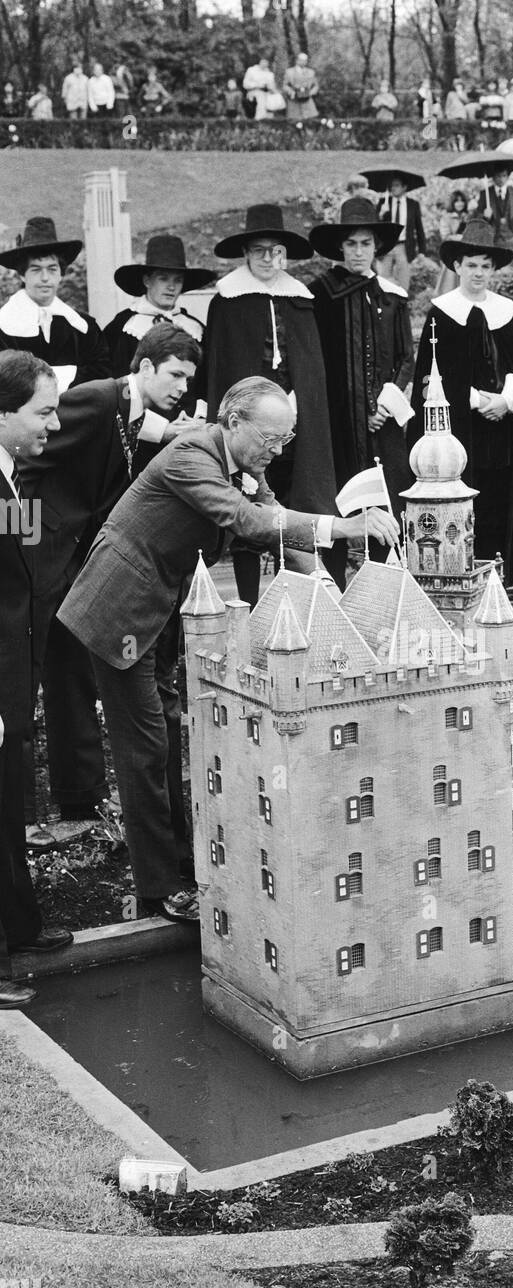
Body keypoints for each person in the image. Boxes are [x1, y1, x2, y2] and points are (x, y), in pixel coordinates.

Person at [56, 378, 399, 922]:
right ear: (233, 422)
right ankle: (159, 889)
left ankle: (176, 864)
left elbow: (280, 526)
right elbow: (247, 521)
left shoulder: (243, 463)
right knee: (145, 749)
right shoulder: (191, 455)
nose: (278, 451)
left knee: (166, 736)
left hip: (158, 613)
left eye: (287, 440)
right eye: (270, 438)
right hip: (119, 610)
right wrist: (344, 528)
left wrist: (333, 595)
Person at [18, 325, 202, 831]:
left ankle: (81, 796)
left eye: (189, 377)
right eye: (175, 374)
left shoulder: (128, 408)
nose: (183, 387)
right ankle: (39, 811)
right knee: (43, 674)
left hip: (73, 559)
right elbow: (26, 463)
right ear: (144, 367)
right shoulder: (97, 398)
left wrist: (170, 432)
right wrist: (31, 537)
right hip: (47, 555)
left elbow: (132, 428)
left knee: (71, 670)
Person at [201, 204, 338, 605]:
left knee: (292, 503)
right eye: (260, 250)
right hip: (249, 424)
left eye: (276, 251)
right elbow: (220, 365)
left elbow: (311, 365)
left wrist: (300, 398)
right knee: (247, 500)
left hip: (295, 421)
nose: (268, 259)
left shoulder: (299, 299)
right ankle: (248, 602)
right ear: (246, 253)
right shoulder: (228, 300)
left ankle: (291, 599)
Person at [0, 351, 74, 1007]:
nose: (53, 424)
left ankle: (18, 927)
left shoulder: (11, 479)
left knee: (10, 808)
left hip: (14, 678)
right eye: (42, 411)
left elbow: (15, 570)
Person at [408, 219, 513, 569]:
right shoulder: (441, 313)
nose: (478, 273)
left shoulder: (505, 311)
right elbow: (431, 379)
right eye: (471, 265)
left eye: (485, 266)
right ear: (458, 267)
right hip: (462, 429)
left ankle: (500, 576)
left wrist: (506, 400)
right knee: (466, 504)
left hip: (504, 429)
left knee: (499, 500)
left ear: (493, 269)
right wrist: (477, 399)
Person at [308, 198, 415, 584]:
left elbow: (406, 358)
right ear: (341, 247)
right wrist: (357, 408)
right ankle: (335, 590)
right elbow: (315, 361)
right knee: (339, 505)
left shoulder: (391, 296)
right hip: (338, 423)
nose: (357, 251)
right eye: (351, 244)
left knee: (389, 500)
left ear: (376, 248)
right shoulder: (320, 295)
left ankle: (386, 587)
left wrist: (383, 403)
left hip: (383, 424)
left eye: (365, 244)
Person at [0, 216, 110, 393]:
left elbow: (102, 376)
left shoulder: (84, 327)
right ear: (22, 275)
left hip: (78, 416)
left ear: (61, 274)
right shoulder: (4, 325)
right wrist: (71, 374)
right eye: (36, 269)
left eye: (52, 269)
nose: (45, 278)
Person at [104, 234, 211, 379]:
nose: (171, 287)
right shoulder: (126, 327)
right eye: (163, 279)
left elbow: (206, 379)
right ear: (147, 280)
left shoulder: (194, 328)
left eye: (178, 280)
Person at [376, 172, 427, 293]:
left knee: (404, 280)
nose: (393, 188)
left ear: (404, 187)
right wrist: (381, 214)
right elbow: (375, 226)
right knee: (383, 279)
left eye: (397, 185)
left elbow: (419, 228)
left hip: (404, 246)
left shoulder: (413, 204)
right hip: (386, 245)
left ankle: (402, 304)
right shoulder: (384, 202)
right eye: (391, 185)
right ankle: (382, 306)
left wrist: (422, 251)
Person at [283, 52, 319, 121]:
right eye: (301, 60)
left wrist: (310, 93)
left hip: (307, 99)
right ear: (297, 60)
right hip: (294, 99)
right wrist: (291, 91)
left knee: (309, 120)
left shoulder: (311, 72)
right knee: (295, 120)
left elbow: (316, 86)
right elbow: (285, 86)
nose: (303, 62)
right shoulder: (289, 72)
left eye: (305, 60)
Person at [242, 56, 277, 121]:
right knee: (255, 116)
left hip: (267, 98)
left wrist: (271, 88)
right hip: (254, 97)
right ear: (260, 61)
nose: (264, 63)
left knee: (266, 117)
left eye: (266, 62)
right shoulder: (251, 70)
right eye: (263, 61)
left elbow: (273, 87)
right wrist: (257, 85)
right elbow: (245, 84)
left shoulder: (270, 74)